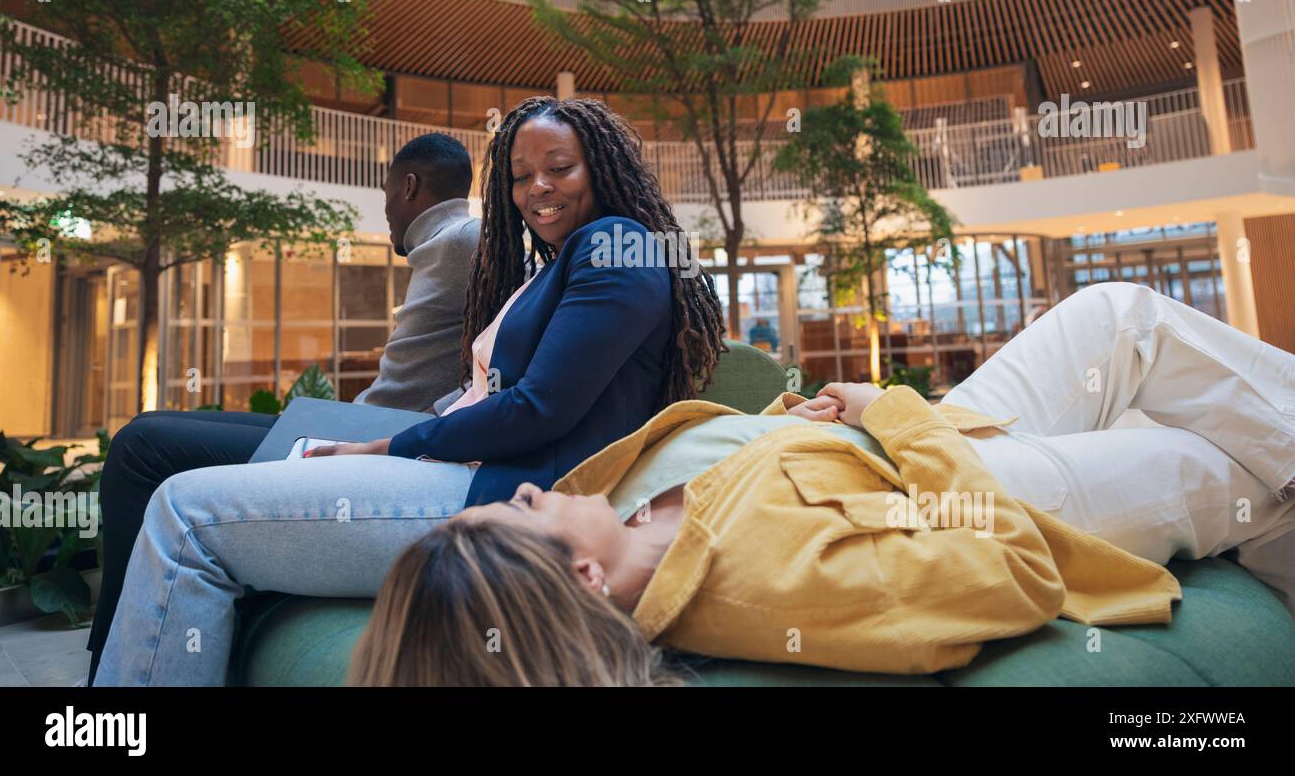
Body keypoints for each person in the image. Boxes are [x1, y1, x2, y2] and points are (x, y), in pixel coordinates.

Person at [350, 281, 1295, 685]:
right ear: (588, 583)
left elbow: (754, 473)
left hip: (904, 431)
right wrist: (892, 416)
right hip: (990, 486)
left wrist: (791, 428)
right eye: (524, 514)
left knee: (1119, 316)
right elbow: (1007, 566)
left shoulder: (629, 511)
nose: (527, 492)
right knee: (1233, 464)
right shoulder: (765, 588)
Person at [92, 96, 728, 686]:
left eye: (559, 167)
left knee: (185, 512)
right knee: (175, 462)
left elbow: (540, 408)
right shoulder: (559, 263)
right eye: (519, 174)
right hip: (471, 465)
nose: (537, 188)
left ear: (604, 168)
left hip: (502, 489)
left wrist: (390, 446)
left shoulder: (616, 248)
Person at [86, 132, 480, 683]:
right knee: (148, 426)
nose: (386, 210)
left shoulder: (459, 238)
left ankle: (105, 660)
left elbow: (414, 393)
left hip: (381, 435)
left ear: (410, 186)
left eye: (388, 193)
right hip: (358, 421)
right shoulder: (457, 240)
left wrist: (348, 429)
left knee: (139, 449)